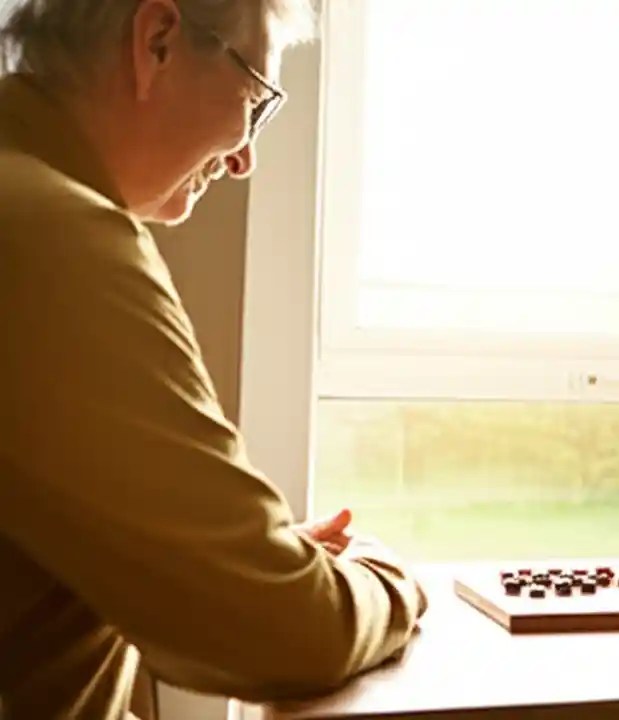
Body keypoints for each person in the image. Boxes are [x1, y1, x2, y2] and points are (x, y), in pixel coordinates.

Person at [0, 1, 426, 717]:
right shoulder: (52, 238)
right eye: (255, 99)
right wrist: (387, 579)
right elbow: (289, 634)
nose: (244, 158)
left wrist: (238, 557)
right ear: (158, 42)